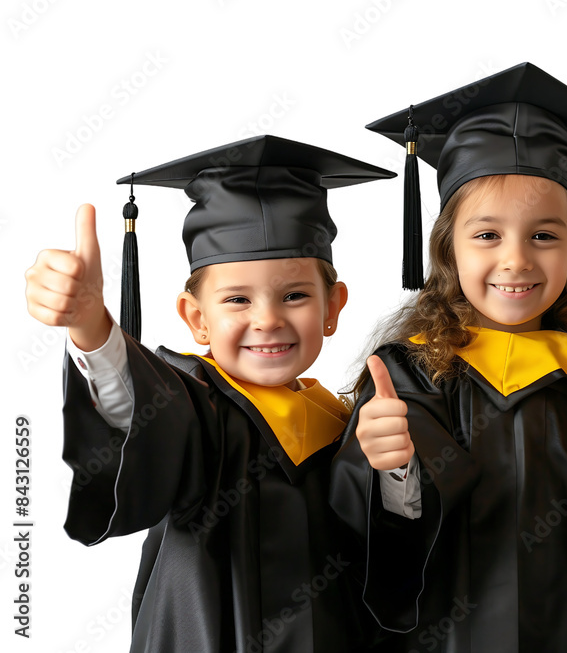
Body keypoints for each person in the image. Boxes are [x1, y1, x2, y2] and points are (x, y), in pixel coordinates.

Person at [24, 135, 396, 652]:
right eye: (237, 299)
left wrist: (397, 469)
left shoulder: (345, 425)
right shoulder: (196, 407)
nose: (267, 319)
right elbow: (138, 410)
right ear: (196, 319)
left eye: (294, 295)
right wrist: (94, 331)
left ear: (333, 307)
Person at [329, 62, 567, 652]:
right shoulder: (410, 374)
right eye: (487, 235)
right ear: (447, 247)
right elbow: (364, 545)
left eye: (544, 235)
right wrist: (393, 470)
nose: (517, 260)